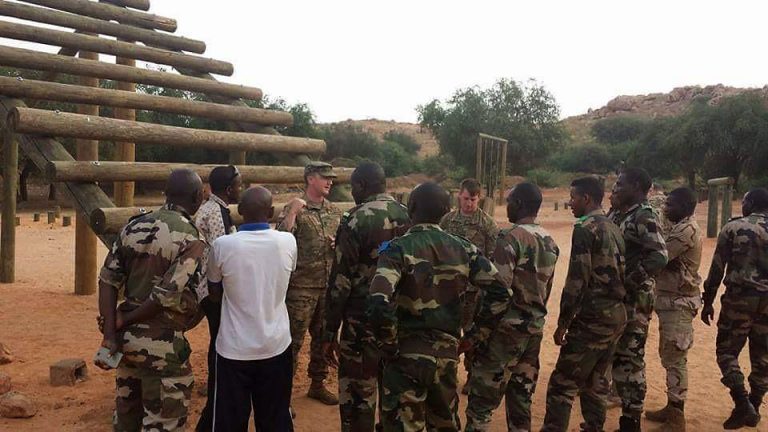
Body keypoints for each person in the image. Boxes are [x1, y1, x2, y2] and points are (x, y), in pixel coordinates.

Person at [367, 182, 512, 431]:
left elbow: (379, 300)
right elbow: (502, 293)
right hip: (446, 357)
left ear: (411, 208)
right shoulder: (464, 248)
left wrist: (388, 342)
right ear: (447, 211)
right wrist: (474, 336)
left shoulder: (395, 248)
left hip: (405, 356)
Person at [96, 169, 207, 431]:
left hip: (126, 345)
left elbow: (107, 280)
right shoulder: (191, 237)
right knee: (164, 422)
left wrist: (111, 333)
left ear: (166, 194)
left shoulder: (132, 227)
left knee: (127, 421)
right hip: (163, 347)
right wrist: (125, 319)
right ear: (197, 197)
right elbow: (165, 295)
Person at [321, 162, 411, 432]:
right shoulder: (408, 215)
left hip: (361, 325)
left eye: (353, 187)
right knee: (395, 398)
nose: (352, 193)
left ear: (361, 185)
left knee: (359, 399)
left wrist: (328, 332)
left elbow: (341, 282)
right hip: (399, 322)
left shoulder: (355, 219)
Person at [464, 183, 560, 431]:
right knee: (520, 401)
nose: (507, 206)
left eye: (509, 201)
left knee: (481, 405)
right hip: (533, 331)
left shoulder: (509, 239)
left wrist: (478, 333)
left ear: (518, 204)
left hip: (505, 333)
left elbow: (498, 292)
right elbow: (547, 290)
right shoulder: (549, 241)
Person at [207, 186, 297, 432]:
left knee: (229, 421)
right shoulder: (287, 241)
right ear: (270, 212)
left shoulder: (222, 246)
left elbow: (214, 291)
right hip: (276, 345)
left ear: (239, 211)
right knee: (276, 418)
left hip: (234, 349)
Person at [541, 176, 627, 432]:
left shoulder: (585, 229)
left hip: (593, 318)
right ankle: (594, 427)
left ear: (586, 199)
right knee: (596, 381)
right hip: (616, 315)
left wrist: (563, 322)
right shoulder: (613, 226)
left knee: (562, 383)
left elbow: (577, 281)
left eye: (573, 197)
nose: (570, 203)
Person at [701, 187, 768, 429]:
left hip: (739, 299)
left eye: (745, 201)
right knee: (763, 357)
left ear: (751, 203)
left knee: (726, 351)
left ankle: (742, 403)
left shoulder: (733, 228)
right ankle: (754, 405)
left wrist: (708, 301)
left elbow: (717, 268)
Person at [277, 162, 343, 406]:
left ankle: (318, 384)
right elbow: (281, 240)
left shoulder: (335, 211)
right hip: (300, 288)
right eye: (324, 177)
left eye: (331, 178)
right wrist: (292, 214)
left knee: (323, 339)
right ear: (310, 179)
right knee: (292, 342)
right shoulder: (295, 208)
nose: (330, 181)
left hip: (327, 286)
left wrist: (338, 244)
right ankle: (282, 395)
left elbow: (343, 244)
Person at [609, 167, 668, 431]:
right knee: (617, 355)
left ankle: (631, 420)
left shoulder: (644, 216)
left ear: (635, 186)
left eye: (620, 184)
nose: (616, 187)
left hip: (635, 299)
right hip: (616, 298)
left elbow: (659, 256)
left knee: (631, 357)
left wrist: (630, 282)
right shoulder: (619, 214)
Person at [645, 187, 702, 431]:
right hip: (671, 300)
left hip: (679, 302)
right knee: (669, 355)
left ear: (684, 207)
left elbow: (661, 256)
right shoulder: (680, 226)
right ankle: (672, 407)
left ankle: (677, 417)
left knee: (675, 358)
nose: (665, 209)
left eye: (670, 205)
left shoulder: (686, 230)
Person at [439, 178, 499, 392]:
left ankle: (472, 374)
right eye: (466, 199)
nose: (469, 204)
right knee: (448, 331)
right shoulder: (447, 221)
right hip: (450, 288)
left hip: (474, 292)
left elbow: (492, 258)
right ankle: (448, 373)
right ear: (459, 196)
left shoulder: (487, 224)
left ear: (479, 198)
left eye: (473, 200)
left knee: (472, 334)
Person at [194, 165, 242, 432]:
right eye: (239, 185)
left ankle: (218, 398)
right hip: (212, 290)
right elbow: (223, 254)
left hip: (211, 287)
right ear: (228, 189)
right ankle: (215, 404)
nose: (241, 189)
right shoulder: (215, 213)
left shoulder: (215, 208)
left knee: (219, 340)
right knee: (220, 343)